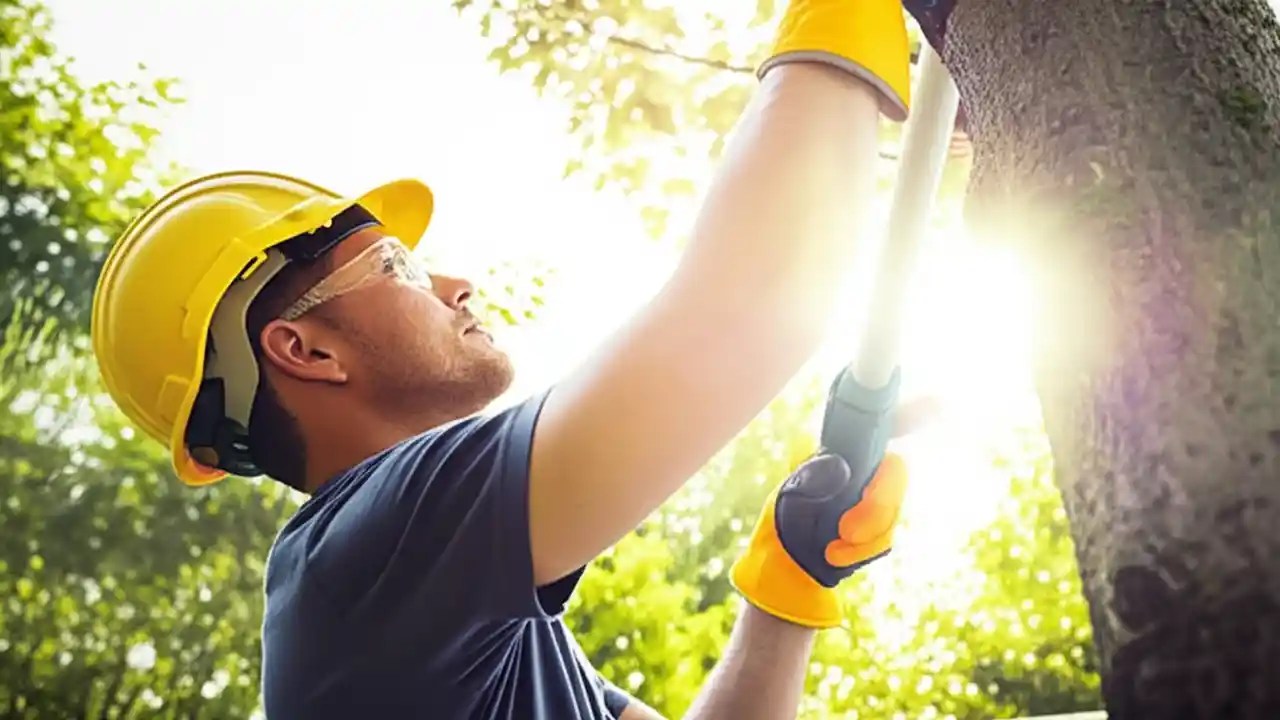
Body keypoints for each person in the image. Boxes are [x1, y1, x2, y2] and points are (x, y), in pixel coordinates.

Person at [90, 0, 953, 717]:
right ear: (304, 349)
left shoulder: (445, 618)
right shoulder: (354, 563)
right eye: (398, 268)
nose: (456, 283)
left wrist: (787, 584)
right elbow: (752, 305)